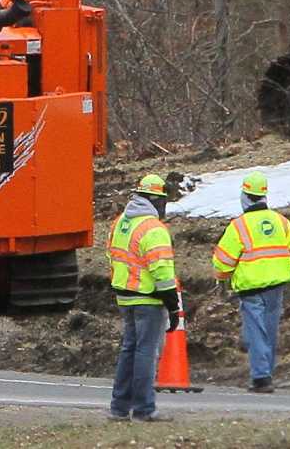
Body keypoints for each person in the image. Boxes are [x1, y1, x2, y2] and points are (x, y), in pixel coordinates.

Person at [211, 171, 290, 393]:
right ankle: (266, 373)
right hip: (276, 287)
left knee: (255, 333)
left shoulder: (239, 226)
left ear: (245, 196)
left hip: (251, 288)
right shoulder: (281, 222)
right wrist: (283, 273)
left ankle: (261, 378)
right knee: (269, 331)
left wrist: (223, 278)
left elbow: (223, 262)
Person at [108, 172, 178, 423]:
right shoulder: (154, 228)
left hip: (125, 296)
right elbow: (162, 271)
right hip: (147, 298)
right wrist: (173, 305)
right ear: (156, 200)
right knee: (146, 353)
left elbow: (112, 256)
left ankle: (119, 408)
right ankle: (143, 409)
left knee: (129, 350)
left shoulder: (120, 222)